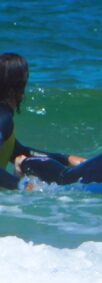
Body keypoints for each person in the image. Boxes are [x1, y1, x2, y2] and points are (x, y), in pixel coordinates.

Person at [0, 52, 85, 190]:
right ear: (19, 86)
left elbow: (19, 152)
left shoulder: (4, 118)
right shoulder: (3, 118)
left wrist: (66, 159)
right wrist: (22, 186)